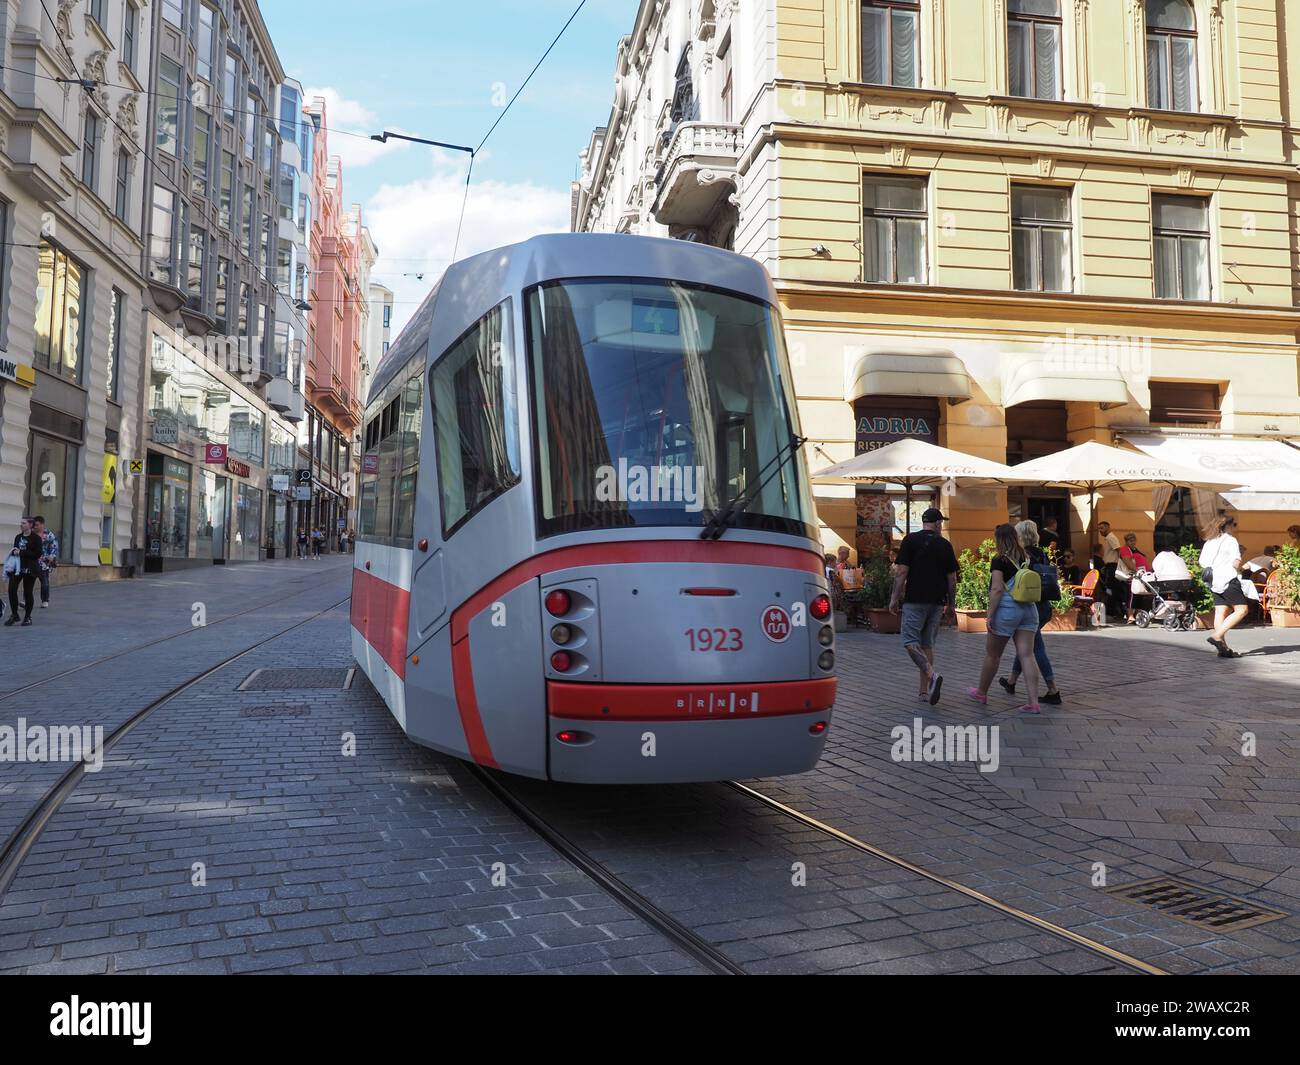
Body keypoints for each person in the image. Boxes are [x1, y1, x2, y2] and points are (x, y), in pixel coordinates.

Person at [968, 523, 1042, 714]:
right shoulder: (1027, 557)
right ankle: (1033, 702)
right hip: (1029, 609)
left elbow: (997, 588)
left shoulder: (999, 560)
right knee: (1027, 654)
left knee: (993, 654)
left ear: (999, 540)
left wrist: (989, 615)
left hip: (1008, 610)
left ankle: (982, 692)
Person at [888, 507, 958, 705]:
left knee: (910, 642)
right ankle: (923, 691)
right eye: (941, 523)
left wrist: (894, 597)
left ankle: (931, 676)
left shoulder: (910, 541)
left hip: (914, 600)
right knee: (927, 644)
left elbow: (902, 572)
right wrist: (951, 604)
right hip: (936, 602)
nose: (941, 525)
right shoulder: (945, 544)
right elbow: (952, 578)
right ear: (936, 523)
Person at [999, 520, 1062, 705]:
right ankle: (1011, 681)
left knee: (1035, 648)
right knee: (1025, 645)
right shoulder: (1042, 554)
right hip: (1044, 606)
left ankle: (1053, 689)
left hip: (1029, 606)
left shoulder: (1022, 556)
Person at [1199, 514, 1249, 658]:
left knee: (1221, 611)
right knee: (1242, 610)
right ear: (1227, 525)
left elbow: (1202, 562)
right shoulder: (1230, 540)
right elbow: (1236, 562)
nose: (1234, 528)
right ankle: (1217, 635)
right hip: (1228, 578)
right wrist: (1239, 567)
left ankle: (1223, 648)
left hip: (1214, 580)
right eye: (1234, 525)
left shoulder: (1209, 541)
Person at [6, 518, 42, 627]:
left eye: (23, 523)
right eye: (21, 523)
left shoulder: (36, 538)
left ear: (30, 525)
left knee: (27, 592)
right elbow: (15, 551)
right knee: (11, 589)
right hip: (17, 568)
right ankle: (14, 615)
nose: (21, 525)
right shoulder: (18, 537)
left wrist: (21, 552)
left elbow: (38, 554)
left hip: (30, 569)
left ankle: (27, 617)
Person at [1117, 533, 1151, 623]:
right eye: (1130, 540)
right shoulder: (1125, 549)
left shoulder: (1134, 549)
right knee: (1131, 595)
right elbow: (1127, 561)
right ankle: (1130, 615)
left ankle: (1138, 614)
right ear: (1126, 541)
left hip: (1138, 575)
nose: (1133, 542)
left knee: (1138, 594)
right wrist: (1136, 571)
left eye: (1134, 540)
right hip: (1131, 575)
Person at [31, 515, 58, 609]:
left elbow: (54, 546)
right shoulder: (31, 534)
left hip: (44, 563)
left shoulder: (49, 534)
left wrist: (52, 556)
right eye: (34, 524)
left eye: (37, 525)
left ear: (42, 524)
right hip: (32, 561)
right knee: (28, 582)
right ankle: (26, 600)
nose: (35, 526)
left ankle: (45, 600)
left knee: (44, 582)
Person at [1098, 521, 1123, 615]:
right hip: (1109, 566)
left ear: (1108, 528)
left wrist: (1121, 564)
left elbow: (1119, 551)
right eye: (1099, 528)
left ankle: (1112, 610)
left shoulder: (1111, 538)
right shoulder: (1108, 538)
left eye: (1102, 528)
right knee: (1111, 588)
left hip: (1113, 566)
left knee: (1111, 589)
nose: (1100, 530)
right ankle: (1113, 610)